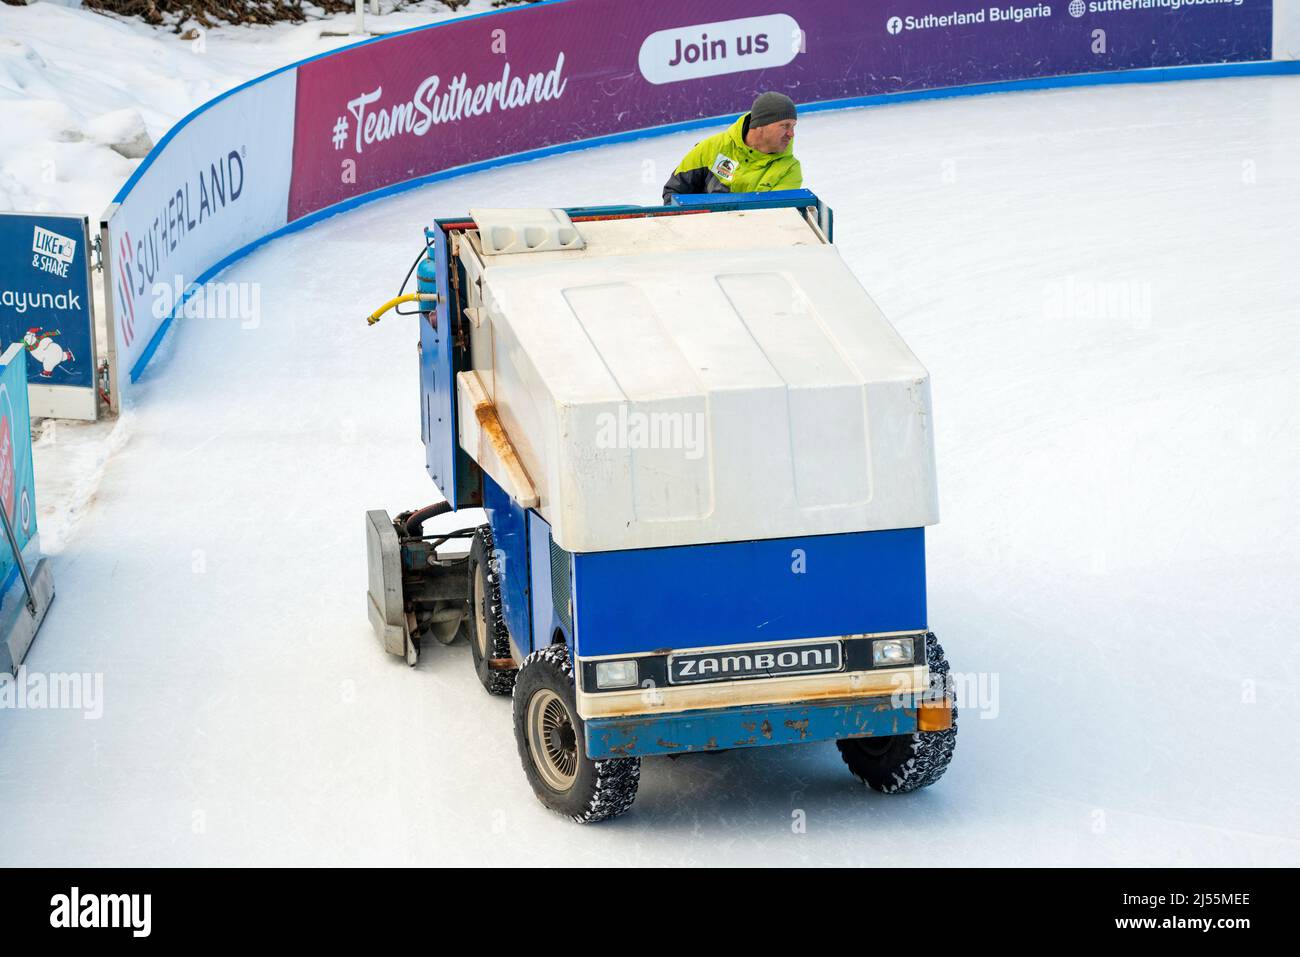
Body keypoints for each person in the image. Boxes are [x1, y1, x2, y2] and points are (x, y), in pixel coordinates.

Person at [662, 92, 801, 204]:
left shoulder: (789, 170)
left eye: (793, 126)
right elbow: (674, 192)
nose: (791, 134)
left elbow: (775, 218)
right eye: (785, 126)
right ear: (760, 125)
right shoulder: (714, 147)